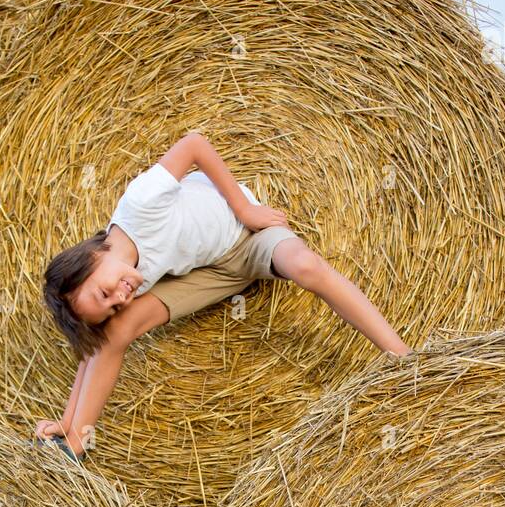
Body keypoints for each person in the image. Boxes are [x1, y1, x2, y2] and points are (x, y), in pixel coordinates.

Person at [37, 130, 410, 459]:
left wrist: (245, 209)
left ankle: (404, 357)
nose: (120, 297)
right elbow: (94, 348)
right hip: (214, 273)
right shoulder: (126, 276)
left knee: (306, 266)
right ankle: (75, 444)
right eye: (112, 304)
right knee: (115, 331)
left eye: (105, 292)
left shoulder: (142, 203)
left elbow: (194, 143)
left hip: (250, 239)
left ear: (90, 256)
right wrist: (68, 420)